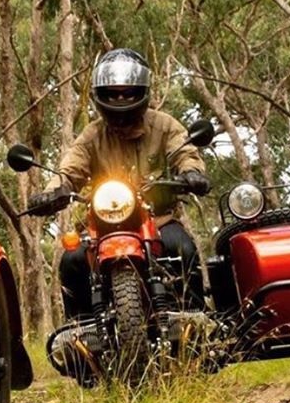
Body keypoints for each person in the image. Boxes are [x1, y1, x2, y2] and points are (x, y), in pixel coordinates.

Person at [28, 48, 209, 318]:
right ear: (101, 95)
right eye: (113, 92)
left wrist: (192, 173)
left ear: (142, 91)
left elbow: (185, 153)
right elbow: (69, 170)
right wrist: (52, 192)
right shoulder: (92, 136)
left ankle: (196, 327)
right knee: (72, 259)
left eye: (128, 92)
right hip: (102, 227)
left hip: (157, 221)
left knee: (182, 248)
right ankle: (79, 335)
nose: (121, 98)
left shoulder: (165, 126)